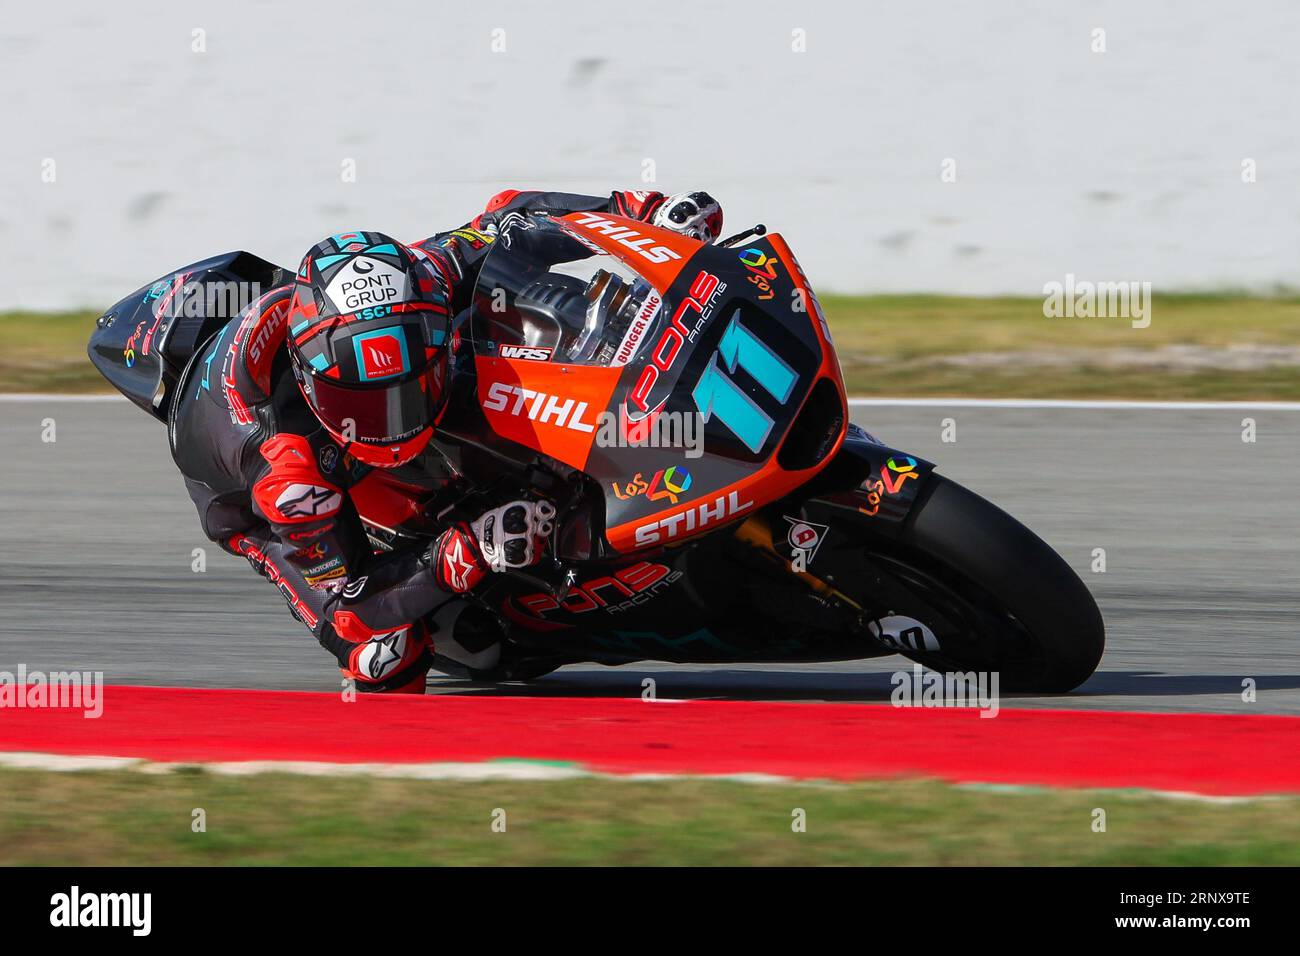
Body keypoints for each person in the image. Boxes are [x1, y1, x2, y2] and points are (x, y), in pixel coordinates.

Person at [168, 189, 723, 692]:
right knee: (385, 660)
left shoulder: (424, 275)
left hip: (346, 386)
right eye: (368, 402)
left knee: (503, 312)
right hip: (256, 500)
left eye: (411, 386)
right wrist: (466, 549)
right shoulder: (288, 475)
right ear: (315, 383)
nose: (394, 419)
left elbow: (511, 218)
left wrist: (639, 217)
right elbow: (349, 605)